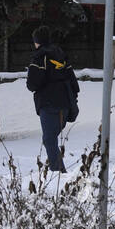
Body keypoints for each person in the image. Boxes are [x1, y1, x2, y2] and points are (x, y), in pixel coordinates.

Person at [26, 25, 79, 172]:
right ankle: (58, 169)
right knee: (52, 139)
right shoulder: (60, 53)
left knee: (49, 139)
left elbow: (32, 84)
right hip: (66, 102)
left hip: (49, 103)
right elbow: (73, 80)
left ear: (37, 41)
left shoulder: (40, 56)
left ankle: (58, 173)